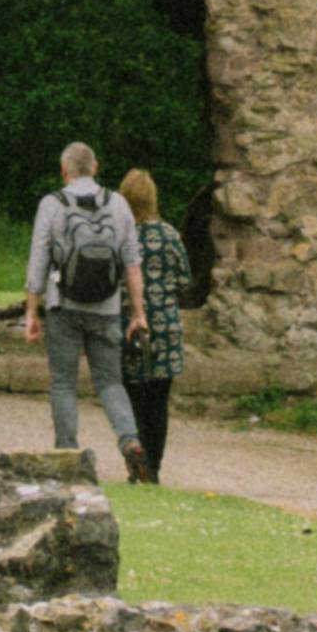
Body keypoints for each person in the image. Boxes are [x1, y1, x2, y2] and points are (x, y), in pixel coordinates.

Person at [16, 139, 143, 467]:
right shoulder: (118, 204)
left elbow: (38, 260)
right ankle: (129, 439)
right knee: (110, 382)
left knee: (63, 383)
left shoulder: (52, 204)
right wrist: (138, 314)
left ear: (64, 171)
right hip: (107, 307)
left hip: (64, 306)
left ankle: (68, 454)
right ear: (95, 167)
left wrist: (32, 311)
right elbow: (132, 264)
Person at [117, 165, 193, 479]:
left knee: (133, 399)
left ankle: (137, 461)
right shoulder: (169, 235)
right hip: (165, 328)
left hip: (128, 325)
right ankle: (155, 466)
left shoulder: (120, 236)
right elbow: (185, 280)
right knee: (158, 402)